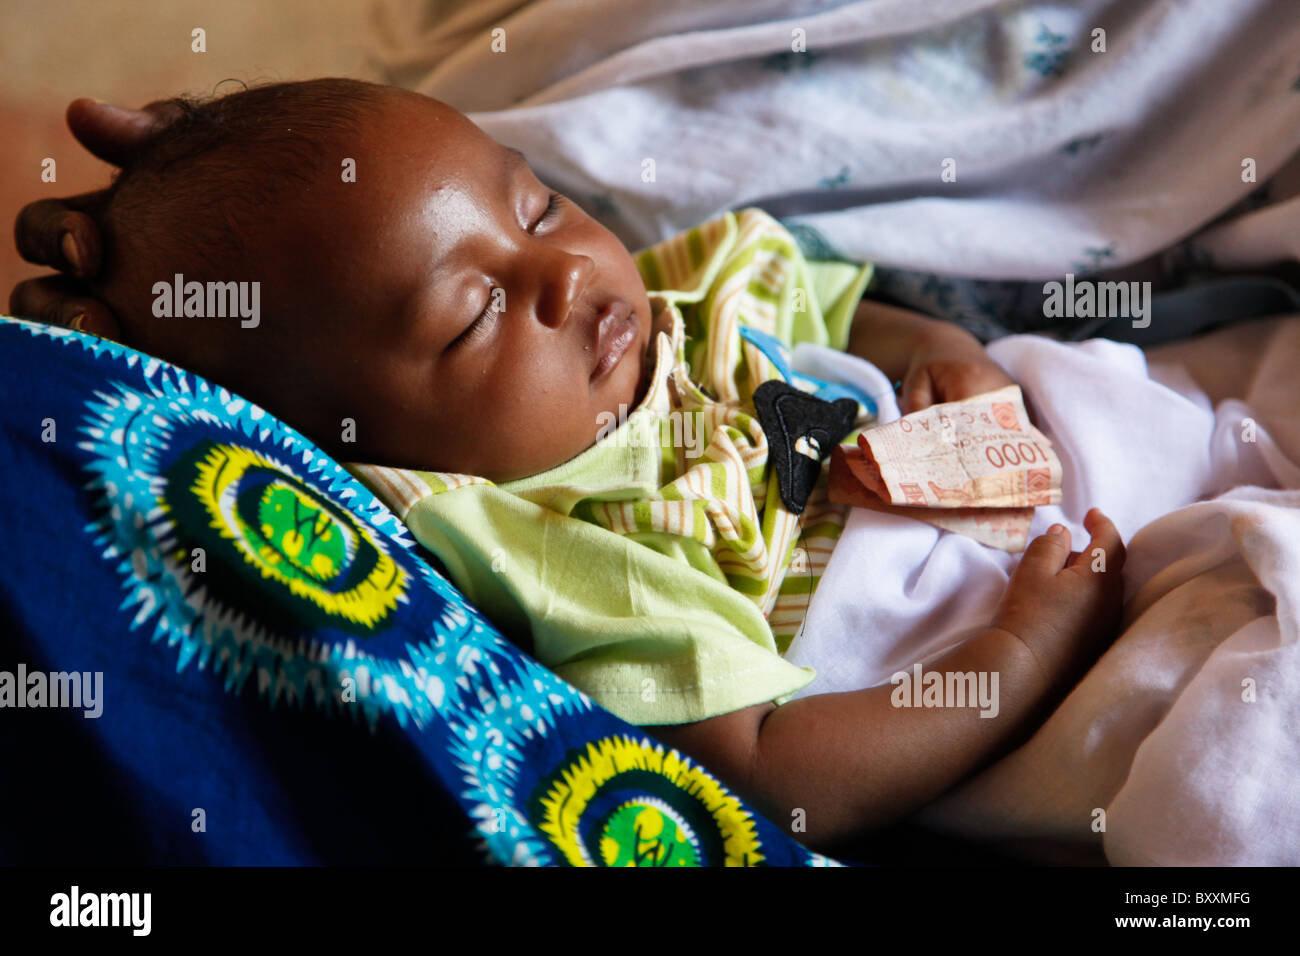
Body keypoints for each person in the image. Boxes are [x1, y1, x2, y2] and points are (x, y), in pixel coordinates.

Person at [10, 79, 1124, 849]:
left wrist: (953, 357)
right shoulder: (578, 543)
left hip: (1061, 443)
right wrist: (1016, 654)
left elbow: (847, 308)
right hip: (974, 651)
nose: (556, 273)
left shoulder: (685, 292)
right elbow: (776, 772)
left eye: (535, 201)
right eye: (466, 320)